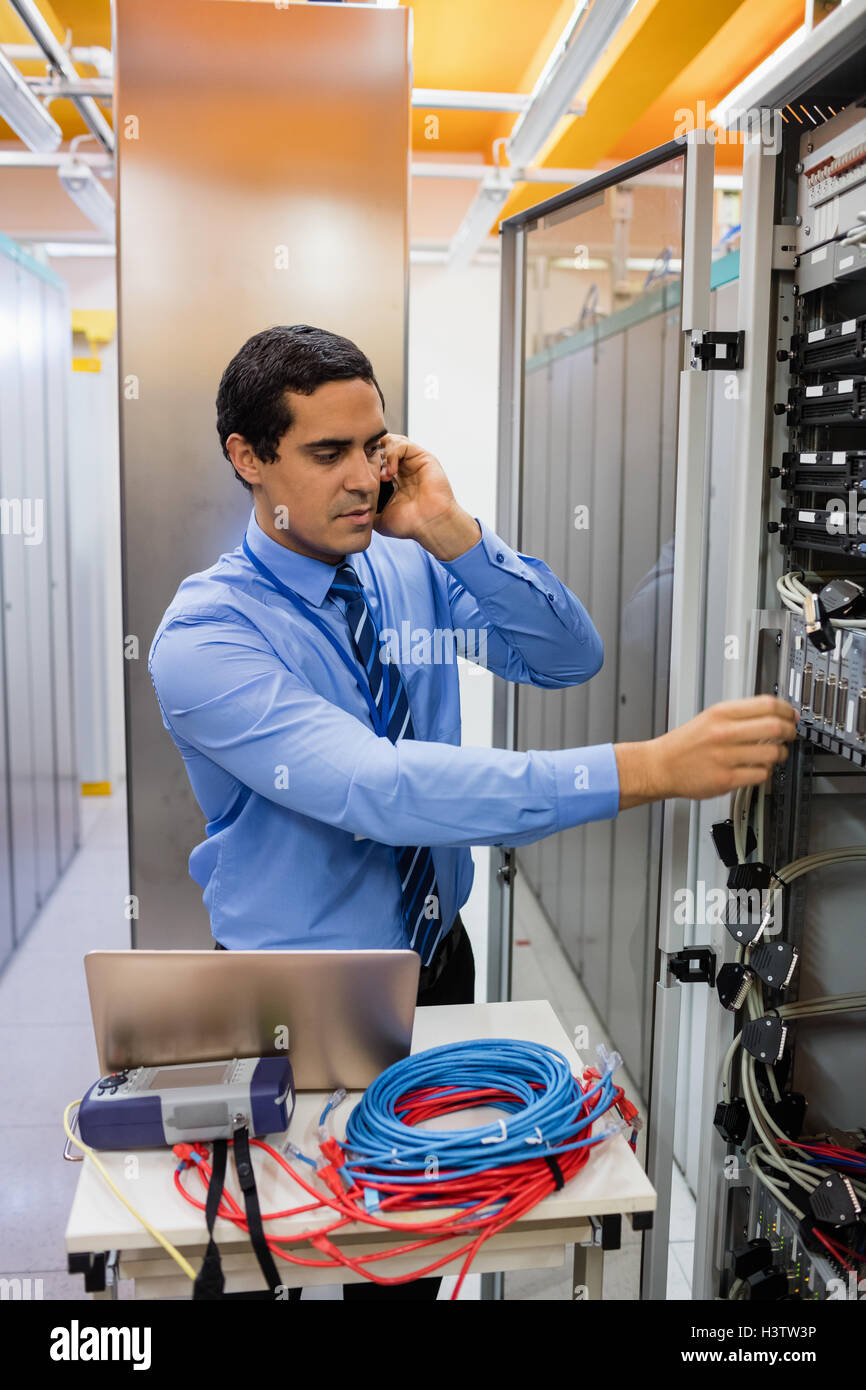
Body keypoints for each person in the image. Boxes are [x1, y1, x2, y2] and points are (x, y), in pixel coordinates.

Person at [148, 323, 797, 1300]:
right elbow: (380, 788)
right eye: (326, 453)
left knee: (416, 1241)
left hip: (435, 957)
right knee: (288, 1240)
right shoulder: (207, 635)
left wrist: (451, 529)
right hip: (296, 994)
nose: (362, 479)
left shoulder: (401, 565)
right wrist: (648, 768)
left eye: (373, 446)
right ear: (248, 458)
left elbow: (564, 657)